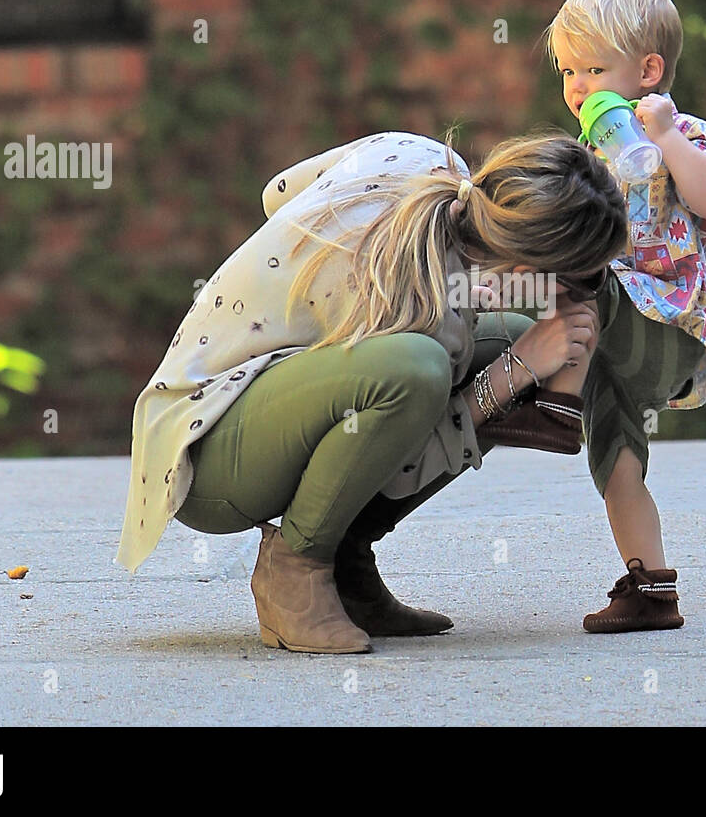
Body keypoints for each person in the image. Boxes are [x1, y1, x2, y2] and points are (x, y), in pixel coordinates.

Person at [116, 131, 628, 653]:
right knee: (423, 368)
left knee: (514, 336)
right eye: (584, 279)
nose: (584, 290)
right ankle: (296, 567)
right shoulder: (419, 308)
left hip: (245, 392)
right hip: (206, 454)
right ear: (527, 268)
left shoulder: (423, 157)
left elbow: (279, 193)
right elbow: (402, 466)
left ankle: (346, 562)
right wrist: (513, 374)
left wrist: (300, 303)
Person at [542, 0, 706, 632]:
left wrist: (665, 139)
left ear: (648, 71)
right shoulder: (584, 152)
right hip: (612, 347)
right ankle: (650, 588)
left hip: (671, 324)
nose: (578, 88)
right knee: (617, 465)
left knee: (582, 275)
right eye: (568, 71)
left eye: (594, 69)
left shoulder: (684, 131)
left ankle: (546, 397)